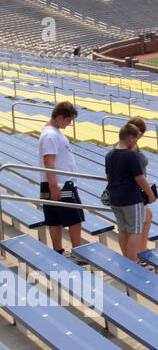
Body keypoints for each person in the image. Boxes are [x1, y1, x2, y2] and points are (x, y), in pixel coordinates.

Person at [39, 102, 87, 257]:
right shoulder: (51, 135)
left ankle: (59, 251)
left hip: (53, 183)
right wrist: (54, 186)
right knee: (74, 219)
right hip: (61, 184)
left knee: (55, 219)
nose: (69, 124)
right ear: (60, 117)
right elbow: (49, 161)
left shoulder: (50, 132)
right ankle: (77, 252)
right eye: (68, 120)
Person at [103, 123, 156, 264]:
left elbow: (108, 176)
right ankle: (133, 262)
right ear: (131, 138)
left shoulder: (109, 154)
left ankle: (127, 259)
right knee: (135, 231)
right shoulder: (131, 156)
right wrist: (150, 194)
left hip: (115, 197)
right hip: (131, 198)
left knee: (123, 229)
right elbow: (139, 178)